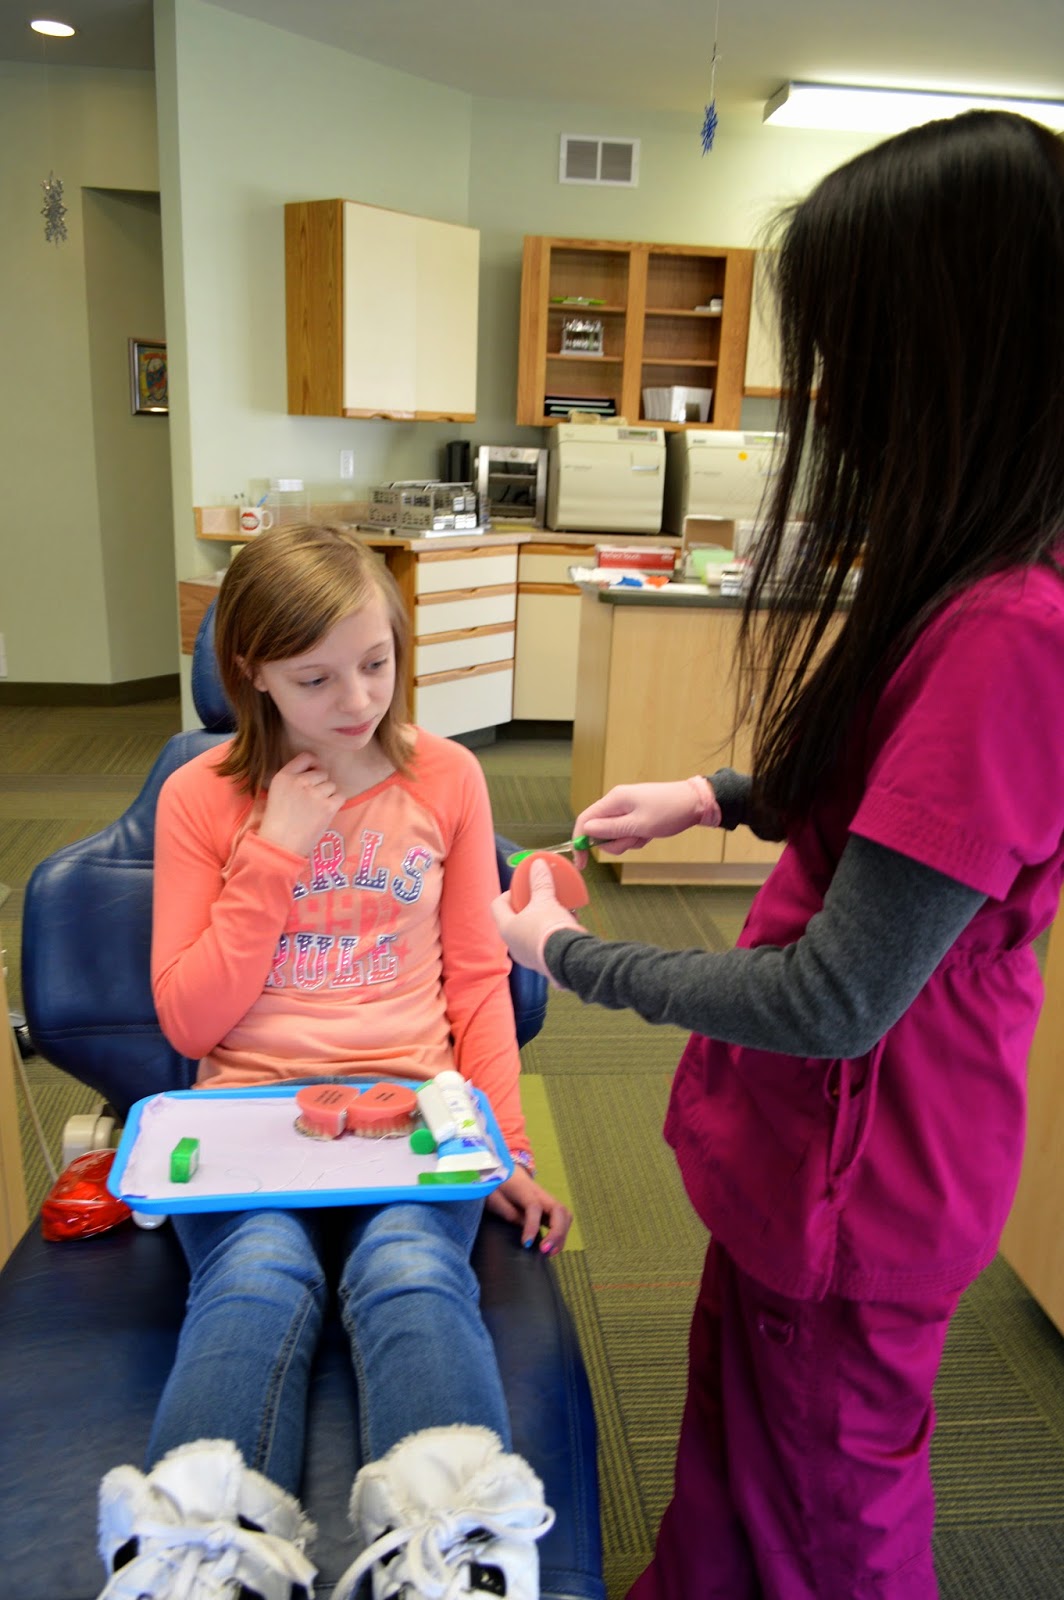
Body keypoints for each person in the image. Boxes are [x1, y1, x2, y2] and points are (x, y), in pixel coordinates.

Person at [491, 111, 1064, 1600]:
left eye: (845, 355)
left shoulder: (1015, 632)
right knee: (740, 1446)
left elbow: (832, 999)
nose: (828, 399)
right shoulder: (970, 576)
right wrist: (716, 794)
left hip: (864, 1179)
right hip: (808, 1157)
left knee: (828, 1508)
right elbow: (898, 793)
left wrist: (568, 955)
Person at [95, 523, 571, 1600]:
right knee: (257, 1272)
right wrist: (275, 850)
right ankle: (193, 1556)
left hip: (412, 1105)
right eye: (314, 678)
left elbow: (476, 979)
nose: (357, 700)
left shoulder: (446, 777)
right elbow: (189, 1017)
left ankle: (455, 1553)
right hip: (246, 1109)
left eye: (376, 663)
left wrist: (503, 1145)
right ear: (252, 674)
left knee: (409, 1268)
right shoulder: (200, 795)